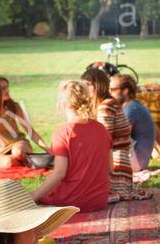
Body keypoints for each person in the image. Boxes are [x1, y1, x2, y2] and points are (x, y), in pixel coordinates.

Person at [32, 80, 112, 212]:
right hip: (98, 201)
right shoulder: (102, 129)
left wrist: (34, 195)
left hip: (70, 202)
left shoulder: (63, 132)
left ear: (62, 104)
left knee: (24, 197)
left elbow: (59, 173)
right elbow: (110, 168)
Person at [81, 65, 145, 201]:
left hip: (115, 159)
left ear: (98, 85)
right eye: (82, 84)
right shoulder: (103, 103)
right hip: (113, 155)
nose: (83, 88)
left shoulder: (106, 105)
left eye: (87, 84)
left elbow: (103, 137)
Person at [110, 74, 160, 173]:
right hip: (139, 163)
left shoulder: (130, 109)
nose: (109, 93)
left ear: (125, 91)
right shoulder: (137, 107)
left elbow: (119, 140)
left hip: (131, 163)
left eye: (112, 89)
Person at [0, 76, 47, 170]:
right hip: (0, 150)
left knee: (18, 152)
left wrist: (48, 150)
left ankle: (23, 158)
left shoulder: (14, 106)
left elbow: (30, 131)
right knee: (8, 163)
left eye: (7, 87)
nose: (7, 90)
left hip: (18, 144)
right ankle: (25, 160)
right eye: (3, 88)